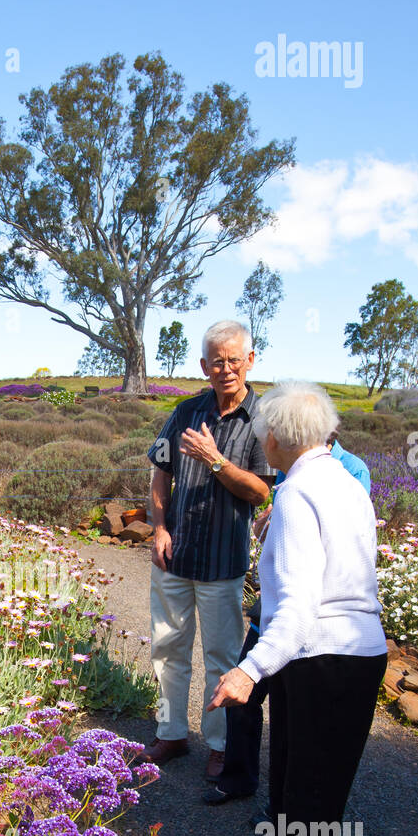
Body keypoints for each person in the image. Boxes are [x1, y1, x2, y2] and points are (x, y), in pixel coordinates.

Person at [208, 381, 387, 836]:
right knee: (287, 773)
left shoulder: (297, 494)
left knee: (313, 799)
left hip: (327, 658)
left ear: (279, 437)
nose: (262, 442)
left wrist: (248, 669)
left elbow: (301, 603)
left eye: (264, 434)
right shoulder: (344, 483)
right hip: (322, 658)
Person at [136, 321, 274, 779]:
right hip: (174, 556)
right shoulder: (184, 412)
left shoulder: (262, 421)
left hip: (222, 562)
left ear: (250, 361)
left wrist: (216, 462)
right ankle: (171, 734)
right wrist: (158, 528)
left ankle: (218, 744)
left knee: (221, 657)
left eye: (235, 360)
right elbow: (161, 472)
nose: (227, 369)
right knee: (168, 648)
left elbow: (260, 491)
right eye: (218, 361)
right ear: (204, 366)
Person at [203, 432, 372, 806]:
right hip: (273, 613)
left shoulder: (350, 471)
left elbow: (342, 543)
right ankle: (239, 778)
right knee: (245, 699)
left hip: (309, 625)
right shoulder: (290, 471)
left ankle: (282, 811)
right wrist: (269, 527)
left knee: (292, 722)